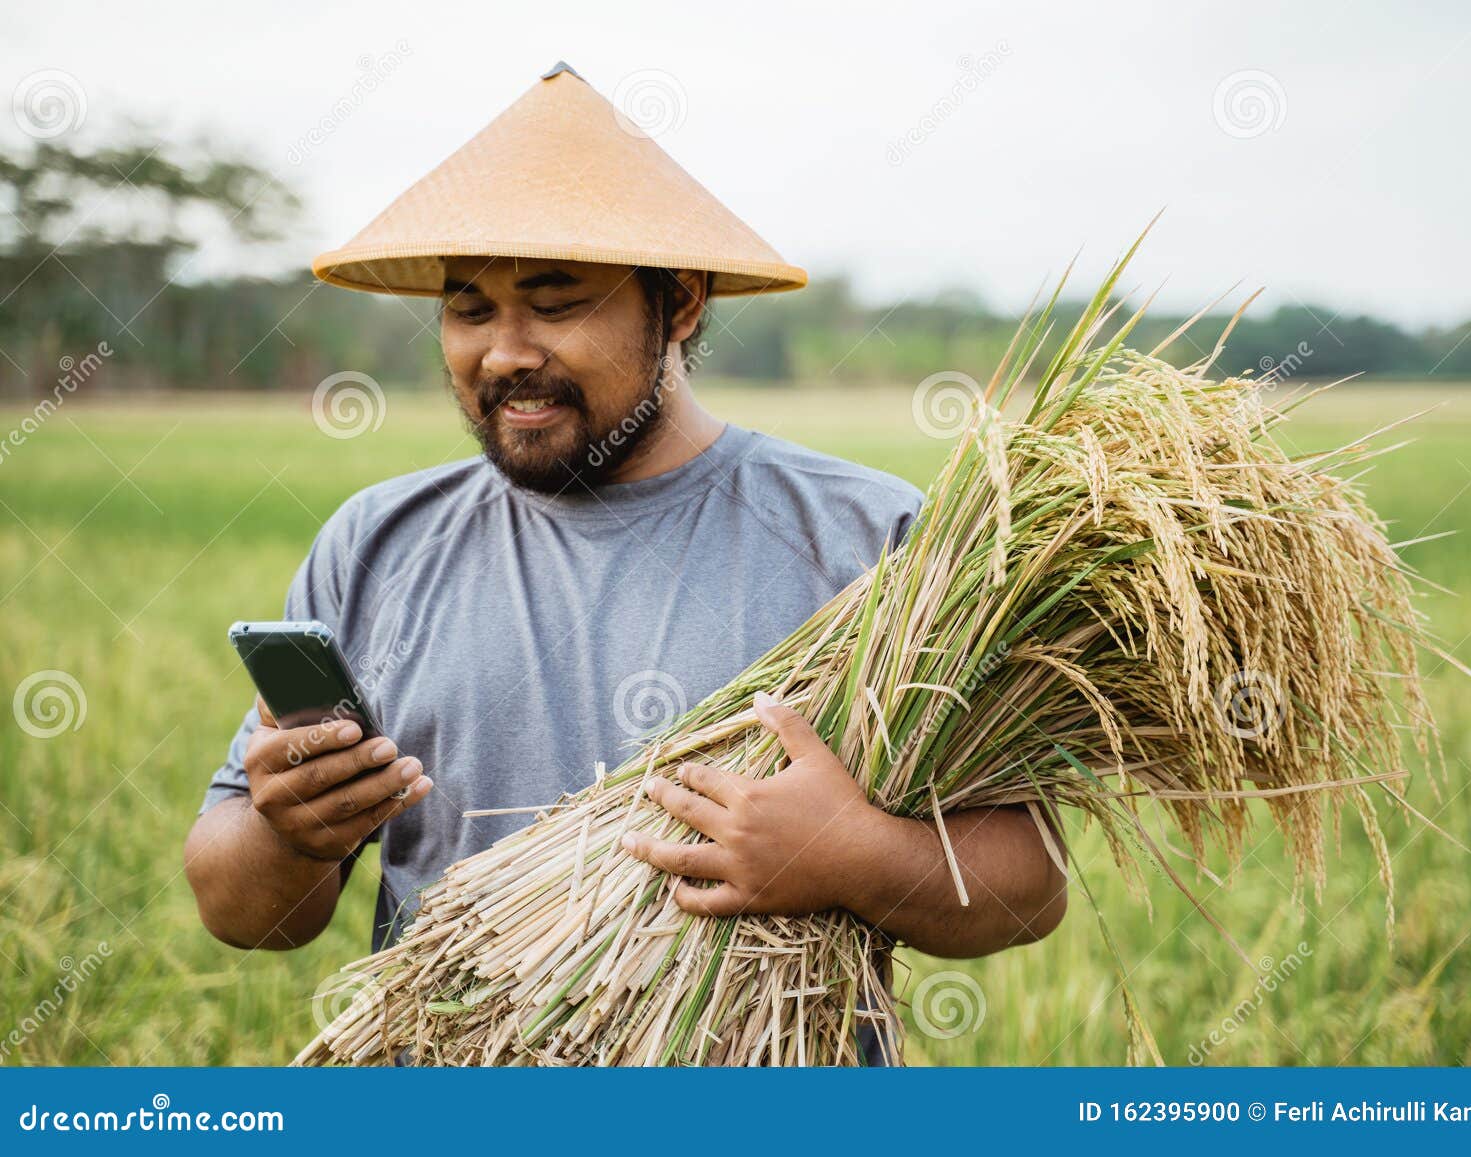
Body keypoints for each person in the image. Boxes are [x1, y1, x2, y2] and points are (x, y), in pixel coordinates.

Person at [183, 64, 1065, 1060]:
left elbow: (1022, 885)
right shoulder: (377, 542)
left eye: (554, 305)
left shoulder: (869, 540)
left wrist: (848, 852)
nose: (505, 352)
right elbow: (244, 906)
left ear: (679, 301)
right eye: (469, 310)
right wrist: (289, 830)